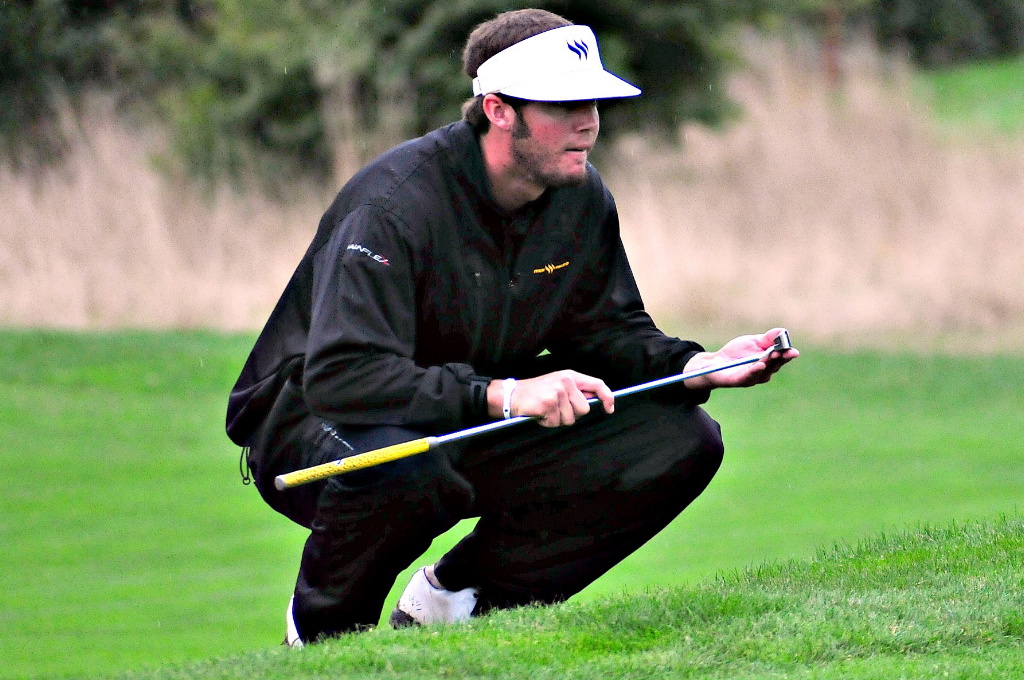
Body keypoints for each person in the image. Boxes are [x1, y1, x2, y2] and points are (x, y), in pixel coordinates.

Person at [226, 8, 798, 646]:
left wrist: (699, 367)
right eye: (565, 105)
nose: (589, 122)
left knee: (681, 440)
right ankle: (321, 638)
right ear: (499, 110)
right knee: (407, 467)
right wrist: (502, 395)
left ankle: (457, 602)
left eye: (594, 103)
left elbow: (606, 329)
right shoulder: (394, 205)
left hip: (468, 409)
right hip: (314, 420)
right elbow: (343, 376)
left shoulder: (578, 197)